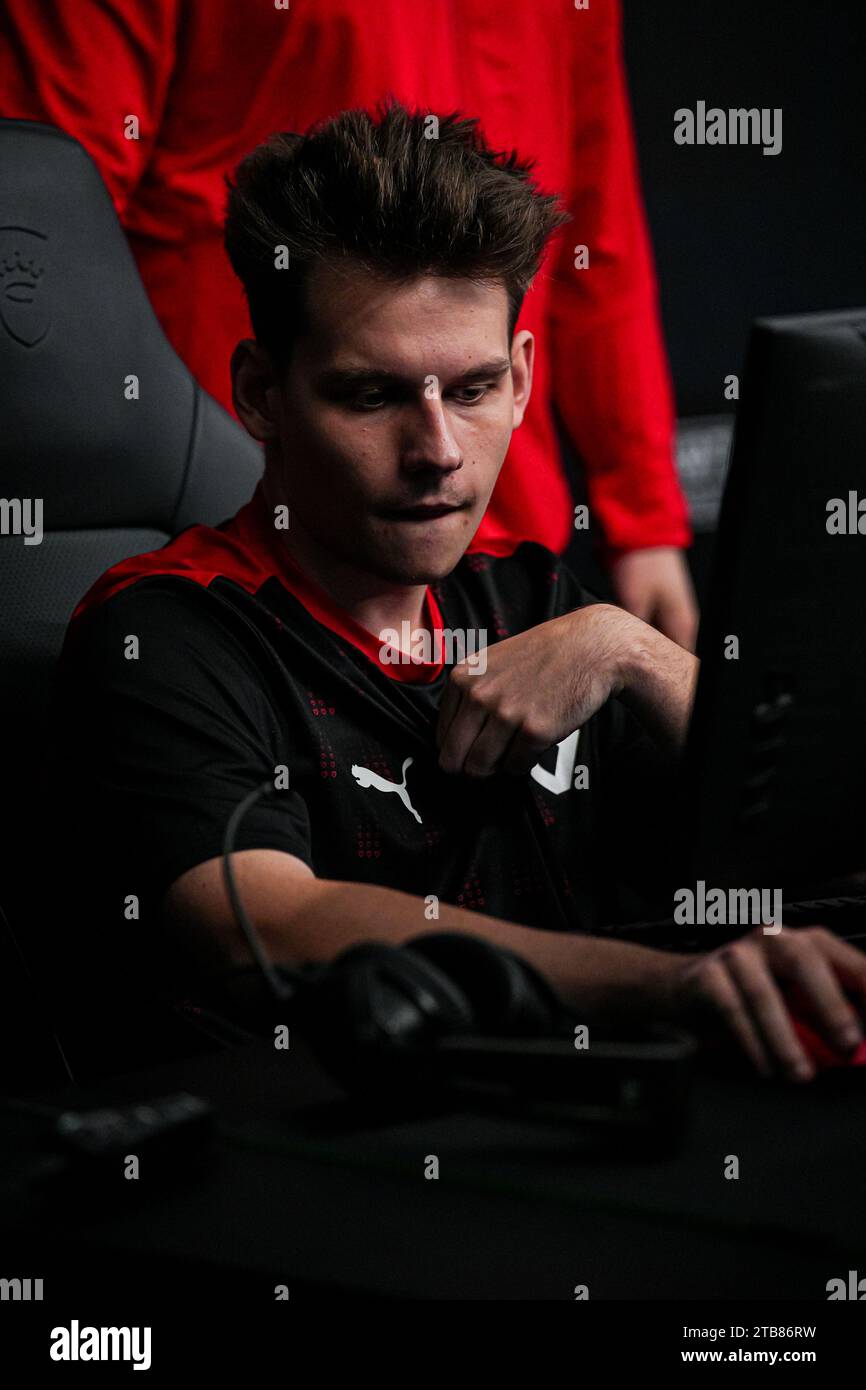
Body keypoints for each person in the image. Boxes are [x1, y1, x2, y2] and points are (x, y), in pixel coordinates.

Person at [51, 104, 866, 1084]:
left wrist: (634, 650)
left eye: (472, 390)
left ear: (522, 381)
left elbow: (812, 844)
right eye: (372, 395)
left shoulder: (539, 598)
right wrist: (664, 985)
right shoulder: (163, 634)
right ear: (262, 393)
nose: (436, 452)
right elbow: (265, 920)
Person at [0, 0, 697, 645]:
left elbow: (593, 242)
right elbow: (41, 210)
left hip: (502, 558)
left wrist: (644, 524)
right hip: (245, 534)